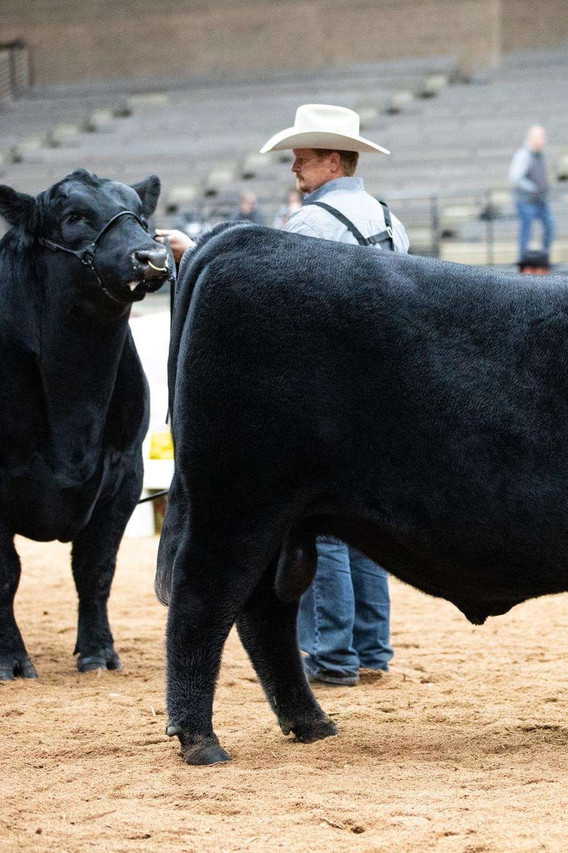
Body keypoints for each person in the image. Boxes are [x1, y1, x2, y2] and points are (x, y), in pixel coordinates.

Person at [160, 104, 409, 687]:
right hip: (382, 393)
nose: (294, 165)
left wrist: (193, 255)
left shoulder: (308, 226)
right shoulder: (389, 219)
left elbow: (267, 298)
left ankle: (331, 656)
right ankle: (372, 650)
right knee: (369, 527)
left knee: (320, 522)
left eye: (303, 155)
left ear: (331, 159)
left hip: (324, 395)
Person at [509, 125, 554, 259]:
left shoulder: (540, 155)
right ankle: (523, 260)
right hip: (526, 201)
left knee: (550, 227)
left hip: (540, 200)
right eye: (540, 137)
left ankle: (543, 257)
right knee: (526, 231)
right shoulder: (523, 155)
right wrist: (533, 188)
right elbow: (515, 178)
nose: (543, 140)